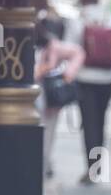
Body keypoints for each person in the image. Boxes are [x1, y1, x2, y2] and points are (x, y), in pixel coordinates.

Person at [64, 0, 111, 183]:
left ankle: (91, 167)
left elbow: (70, 48)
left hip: (85, 76)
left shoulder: (78, 19)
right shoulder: (110, 17)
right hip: (107, 77)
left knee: (88, 123)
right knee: (101, 120)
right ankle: (97, 162)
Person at [34, 14, 84, 180]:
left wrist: (67, 74)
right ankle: (41, 163)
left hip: (48, 97)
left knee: (48, 131)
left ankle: (43, 163)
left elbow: (78, 53)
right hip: (32, 99)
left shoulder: (52, 46)